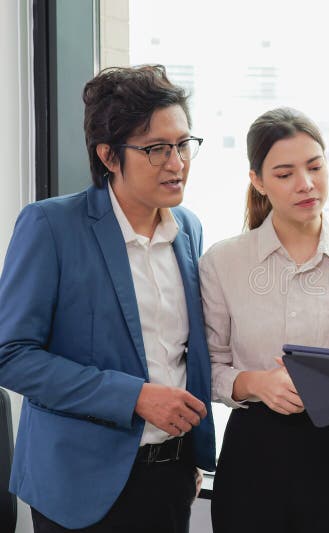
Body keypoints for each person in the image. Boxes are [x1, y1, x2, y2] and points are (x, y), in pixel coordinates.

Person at [0, 65, 216, 532]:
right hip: (78, 486)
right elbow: (11, 355)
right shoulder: (51, 226)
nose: (177, 163)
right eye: (156, 149)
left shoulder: (190, 231)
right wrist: (134, 396)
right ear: (109, 156)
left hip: (171, 477)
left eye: (183, 144)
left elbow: (183, 353)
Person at [200, 107, 329, 533]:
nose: (306, 184)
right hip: (252, 456)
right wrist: (257, 384)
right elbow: (205, 366)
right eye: (284, 174)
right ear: (258, 182)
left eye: (315, 167)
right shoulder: (223, 262)